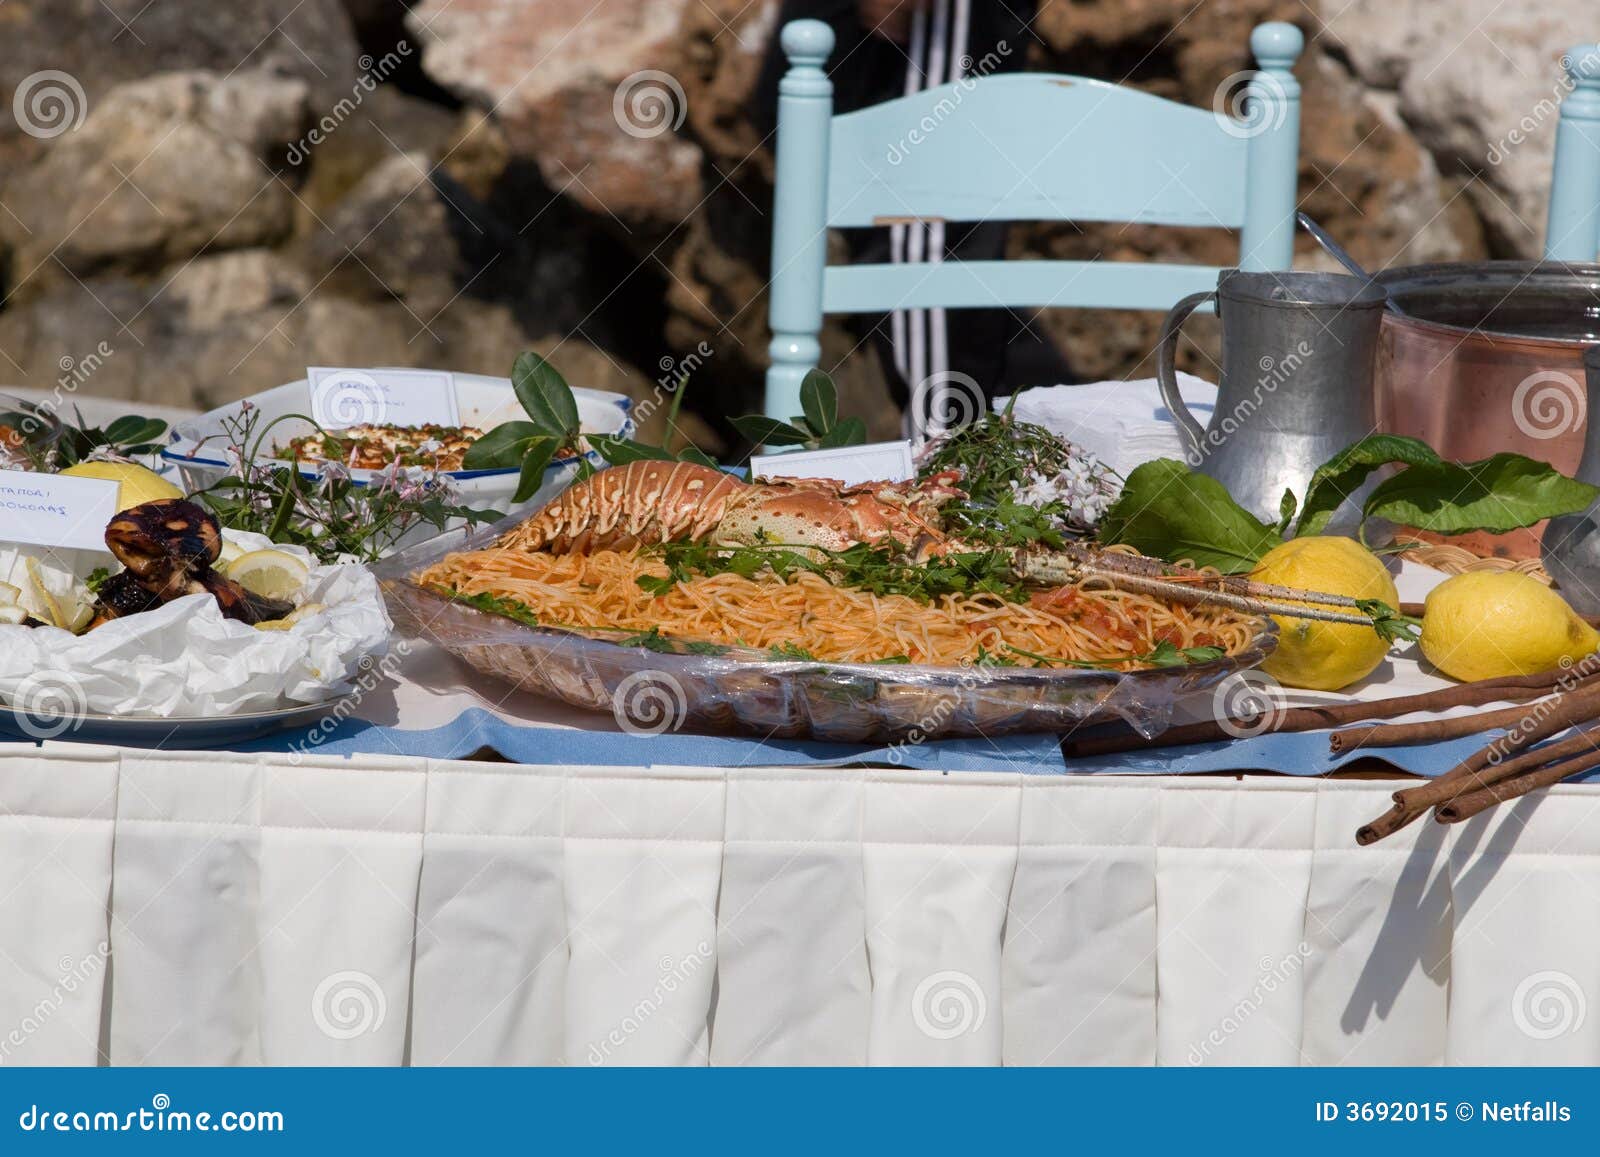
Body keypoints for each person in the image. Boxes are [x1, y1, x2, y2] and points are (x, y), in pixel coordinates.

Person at [759, 0, 1073, 426]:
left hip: (930, 31)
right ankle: (986, 436)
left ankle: (952, 452)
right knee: (922, 265)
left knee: (929, 253)